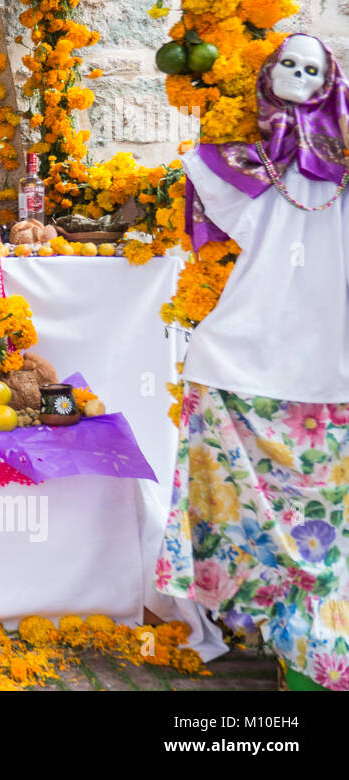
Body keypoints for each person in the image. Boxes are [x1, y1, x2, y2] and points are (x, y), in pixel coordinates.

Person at [156, 34, 349, 691]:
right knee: (270, 515)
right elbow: (203, 167)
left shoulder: (339, 170)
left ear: (331, 84)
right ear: (269, 76)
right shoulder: (247, 166)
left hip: (328, 363)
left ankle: (311, 645)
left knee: (325, 523)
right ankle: (271, 624)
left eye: (311, 70)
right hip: (249, 354)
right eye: (288, 66)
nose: (298, 77)